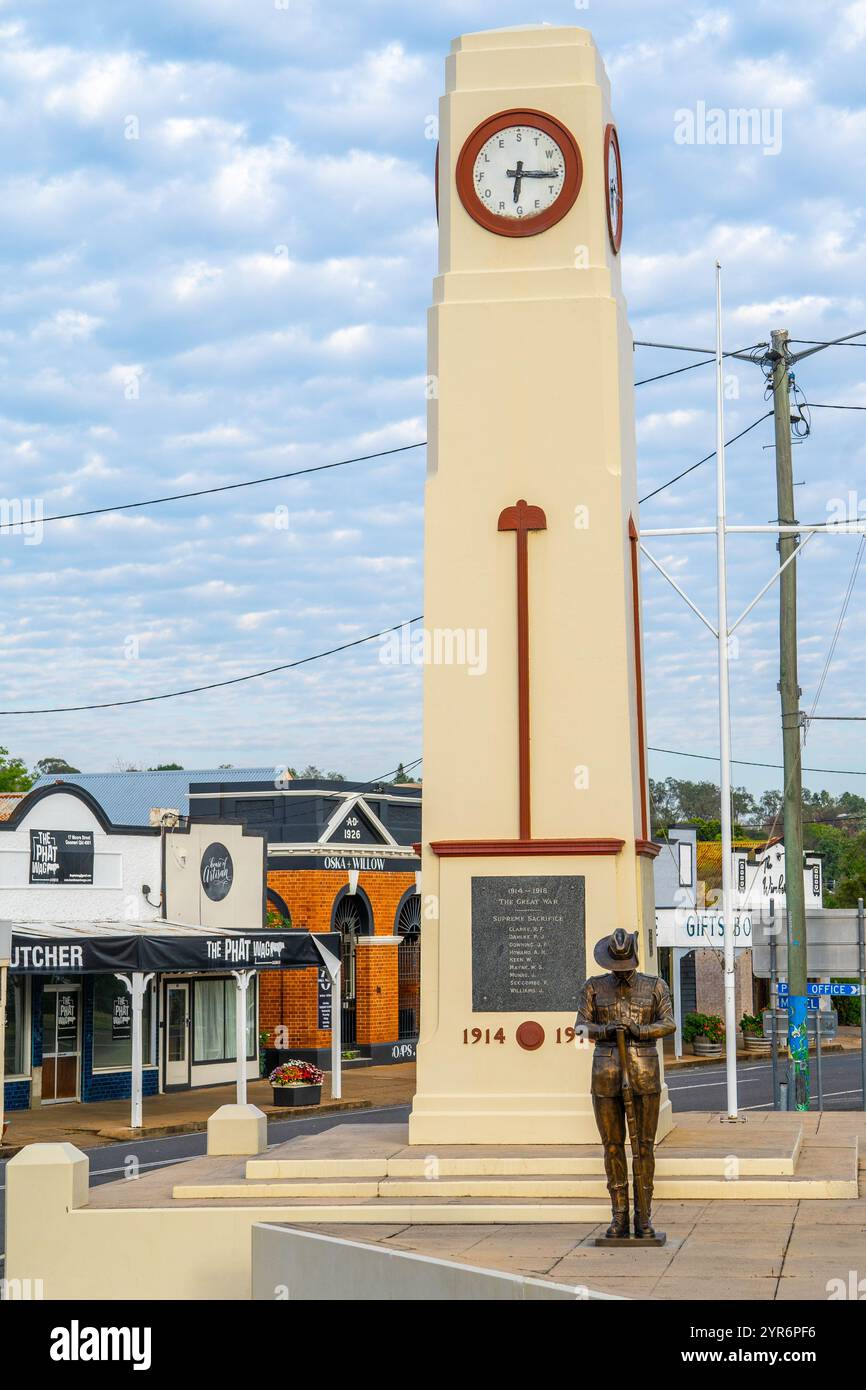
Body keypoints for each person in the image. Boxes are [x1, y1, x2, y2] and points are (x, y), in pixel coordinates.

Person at [575, 928, 675, 1238]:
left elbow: (668, 1023)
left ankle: (643, 1216)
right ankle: (619, 1215)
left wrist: (639, 1030)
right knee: (613, 1148)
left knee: (644, 1147)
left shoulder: (655, 986)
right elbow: (580, 1028)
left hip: (643, 1075)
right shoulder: (593, 988)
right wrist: (605, 1030)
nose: (620, 973)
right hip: (606, 1075)